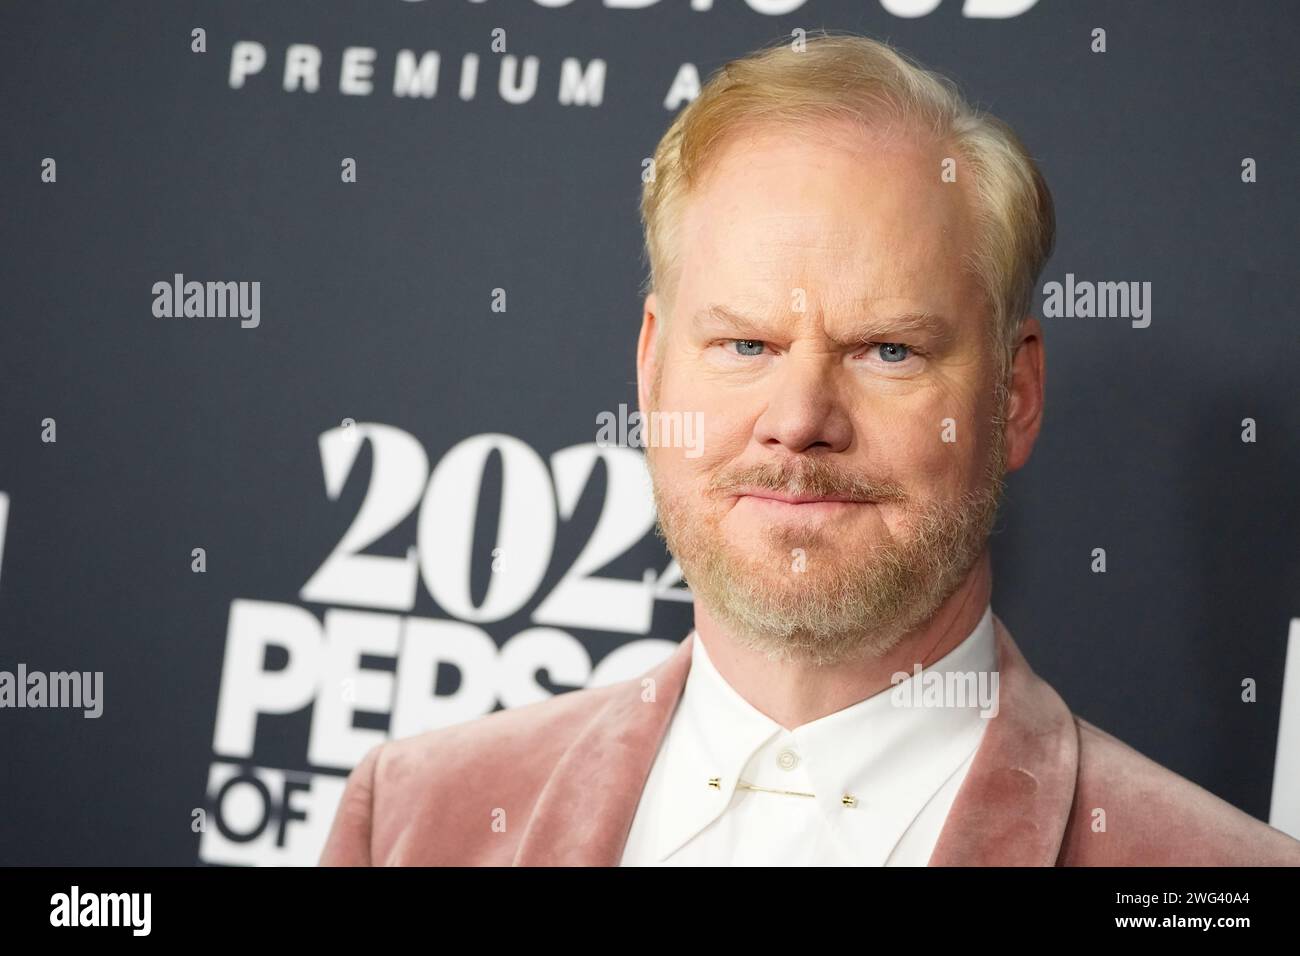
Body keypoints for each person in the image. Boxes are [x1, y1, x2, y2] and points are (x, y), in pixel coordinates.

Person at [318, 32, 1300, 866]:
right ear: (652, 370)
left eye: (887, 349)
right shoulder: (411, 819)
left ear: (1014, 394)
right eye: (744, 344)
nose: (799, 418)